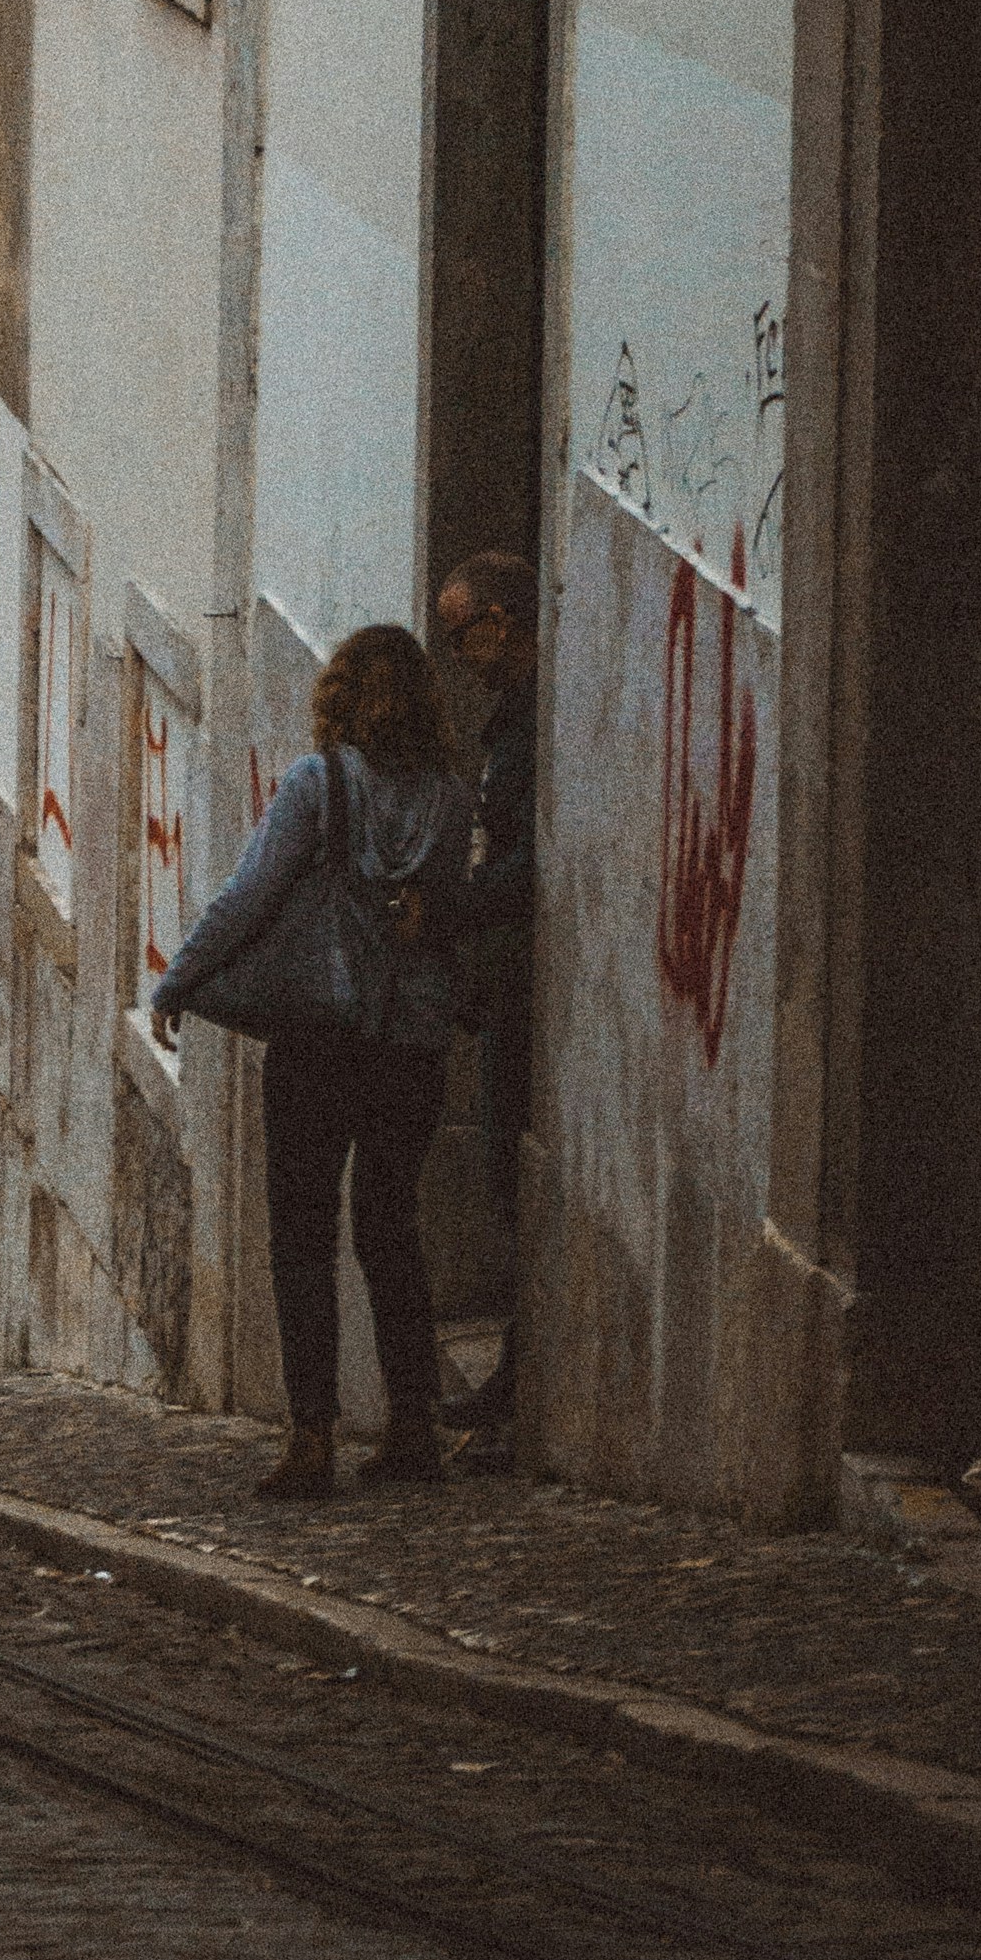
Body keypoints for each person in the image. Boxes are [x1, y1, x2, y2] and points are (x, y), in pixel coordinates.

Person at [152, 620, 472, 1502]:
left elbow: (249, 894)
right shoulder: (451, 800)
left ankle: (313, 1437)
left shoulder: (317, 785)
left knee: (301, 1234)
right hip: (411, 1041)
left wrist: (179, 980)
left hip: (320, 1037)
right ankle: (413, 1424)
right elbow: (444, 910)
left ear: (338, 694)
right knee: (389, 1227)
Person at [433, 549, 541, 1458]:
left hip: (525, 981)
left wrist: (455, 903)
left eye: (460, 636)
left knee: (514, 1176)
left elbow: (537, 854)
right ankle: (514, 1369)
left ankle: (518, 1377)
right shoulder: (512, 719)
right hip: (502, 982)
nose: (457, 657)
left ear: (501, 625)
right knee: (505, 1179)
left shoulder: (535, 720)